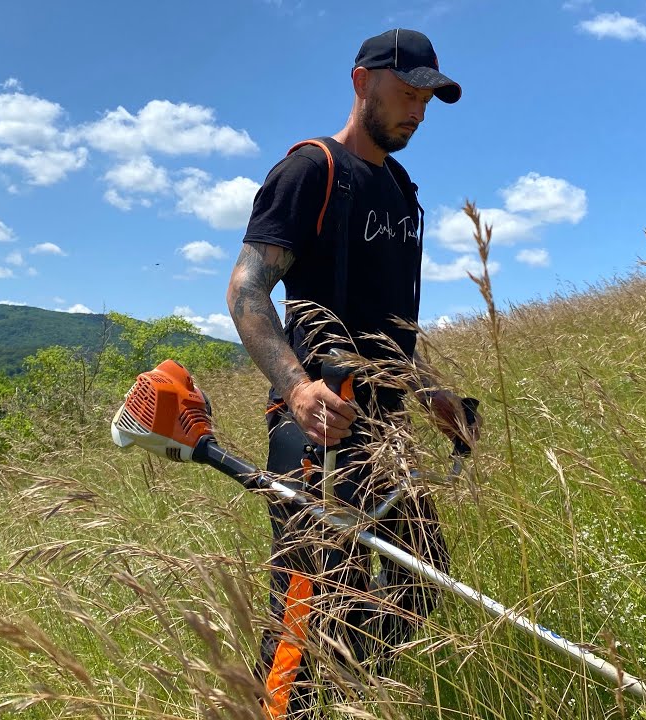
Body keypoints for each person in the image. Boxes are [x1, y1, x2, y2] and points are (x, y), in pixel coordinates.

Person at [226, 28, 476, 719]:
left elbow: (386, 328)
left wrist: (432, 393)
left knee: (420, 577)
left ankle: (351, 697)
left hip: (386, 429)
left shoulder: (401, 191)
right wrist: (297, 389)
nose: (418, 110)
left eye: (428, 99)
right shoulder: (311, 171)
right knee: (306, 607)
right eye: (407, 92)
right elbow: (247, 290)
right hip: (318, 429)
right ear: (362, 81)